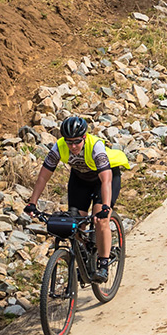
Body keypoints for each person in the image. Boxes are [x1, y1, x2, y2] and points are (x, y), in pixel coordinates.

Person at [24, 115, 130, 283]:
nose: (73, 146)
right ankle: (87, 255)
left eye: (77, 142)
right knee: (74, 220)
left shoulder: (96, 147)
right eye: (69, 142)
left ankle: (103, 264)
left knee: (100, 218)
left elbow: (106, 180)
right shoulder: (59, 148)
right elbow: (43, 178)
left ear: (84, 137)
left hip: (105, 178)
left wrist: (106, 208)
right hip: (80, 179)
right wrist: (32, 203)